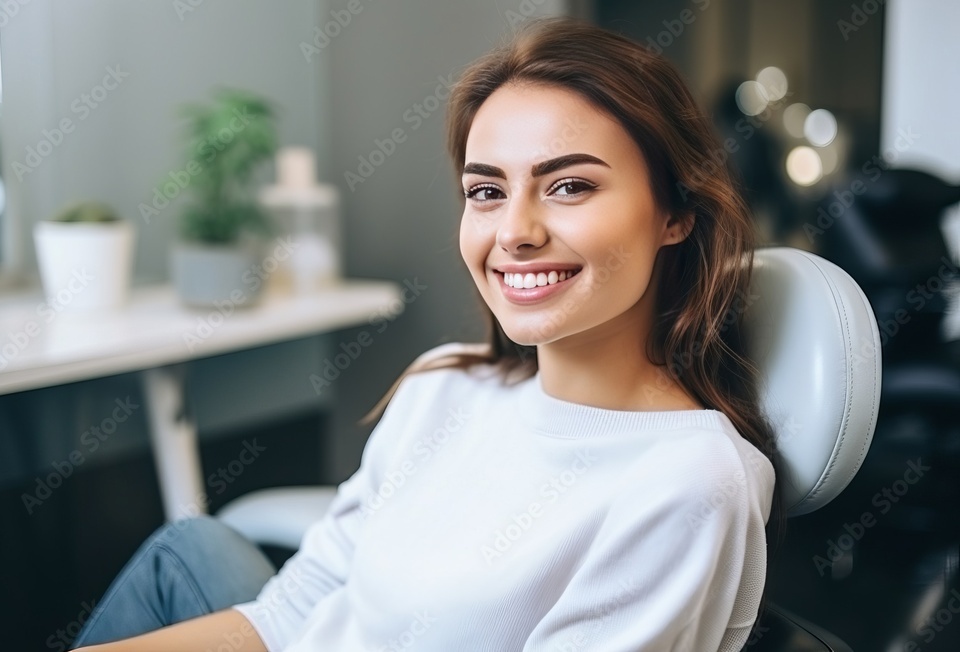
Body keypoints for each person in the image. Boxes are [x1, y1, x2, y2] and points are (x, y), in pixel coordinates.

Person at [73, 17, 784, 652]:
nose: (515, 232)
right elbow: (301, 607)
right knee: (188, 547)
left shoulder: (686, 484)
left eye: (569, 186)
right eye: (487, 192)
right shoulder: (446, 383)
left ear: (676, 215)